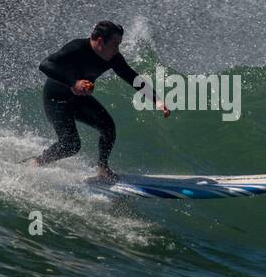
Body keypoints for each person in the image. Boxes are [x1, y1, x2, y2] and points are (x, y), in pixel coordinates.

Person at [28, 21, 169, 180]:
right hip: (56, 100)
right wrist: (73, 83)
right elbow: (45, 65)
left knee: (108, 127)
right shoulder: (77, 48)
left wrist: (156, 100)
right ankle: (37, 162)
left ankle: (102, 168)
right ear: (100, 41)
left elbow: (130, 76)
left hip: (77, 100)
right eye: (115, 44)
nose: (117, 49)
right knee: (71, 145)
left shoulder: (113, 58)